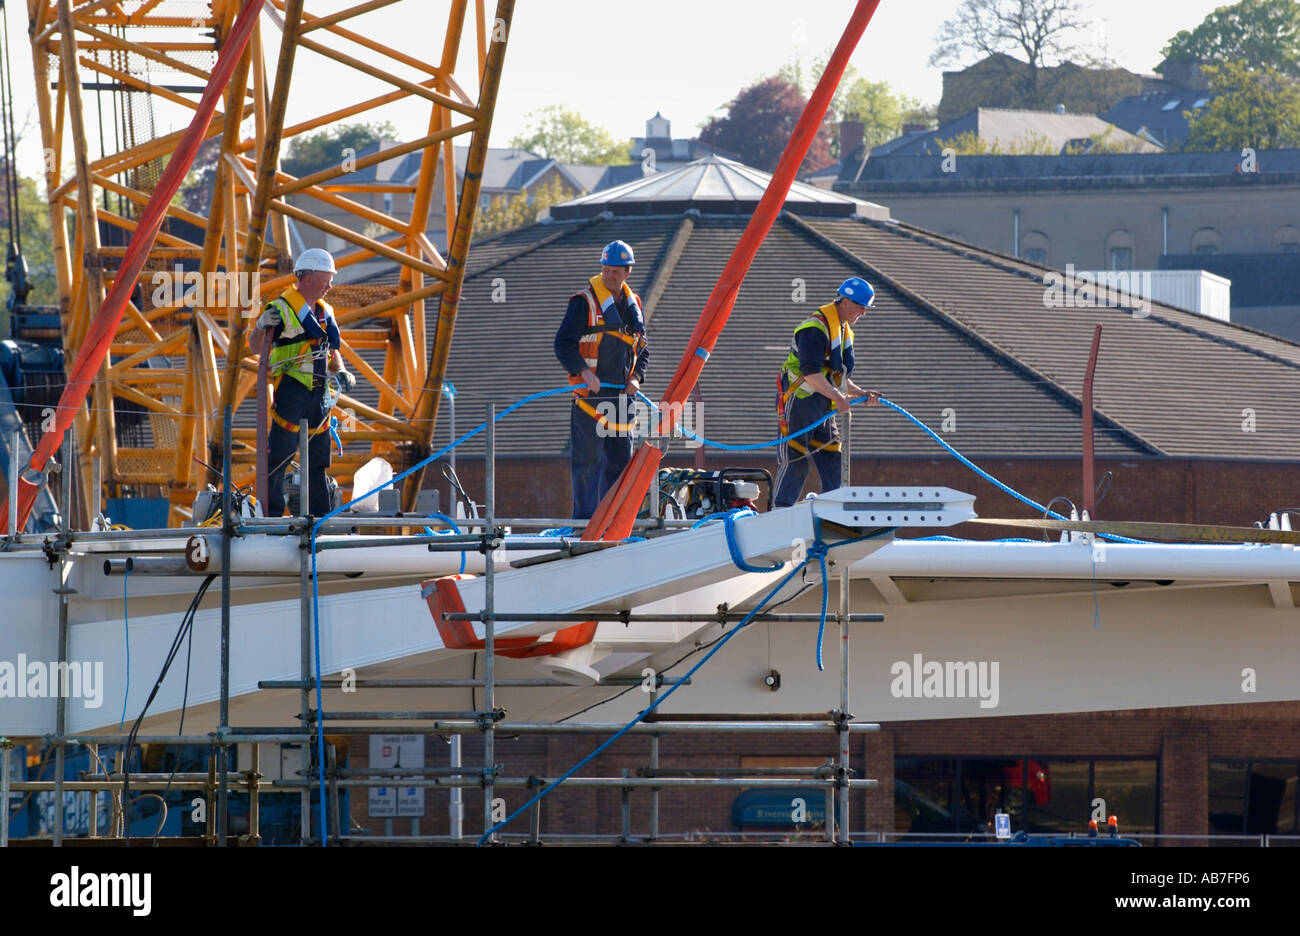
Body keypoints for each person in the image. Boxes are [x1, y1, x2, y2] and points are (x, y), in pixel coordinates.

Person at [554, 239, 649, 519]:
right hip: (589, 399)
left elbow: (643, 350)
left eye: (616, 271)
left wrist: (637, 379)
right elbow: (563, 343)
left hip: (621, 400)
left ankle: (614, 523)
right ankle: (584, 526)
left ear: (627, 272)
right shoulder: (583, 302)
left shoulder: (635, 305)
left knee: (620, 463)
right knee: (586, 463)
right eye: (606, 269)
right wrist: (584, 372)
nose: (609, 274)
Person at [260, 248, 355, 517]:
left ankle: (319, 518)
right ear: (310, 277)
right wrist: (260, 326)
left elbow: (329, 348)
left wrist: (342, 370)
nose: (330, 285)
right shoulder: (280, 308)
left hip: (319, 394)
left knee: (318, 461)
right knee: (279, 457)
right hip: (291, 390)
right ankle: (272, 517)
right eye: (327, 279)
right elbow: (258, 346)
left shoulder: (325, 312)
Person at [773, 276, 881, 508]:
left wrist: (860, 392)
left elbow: (838, 376)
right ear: (845, 301)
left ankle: (835, 508)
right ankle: (781, 511)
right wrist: (839, 398)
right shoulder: (815, 329)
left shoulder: (842, 331)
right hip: (800, 400)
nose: (863, 313)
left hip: (822, 402)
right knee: (796, 458)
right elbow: (811, 373)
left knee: (833, 456)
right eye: (860, 307)